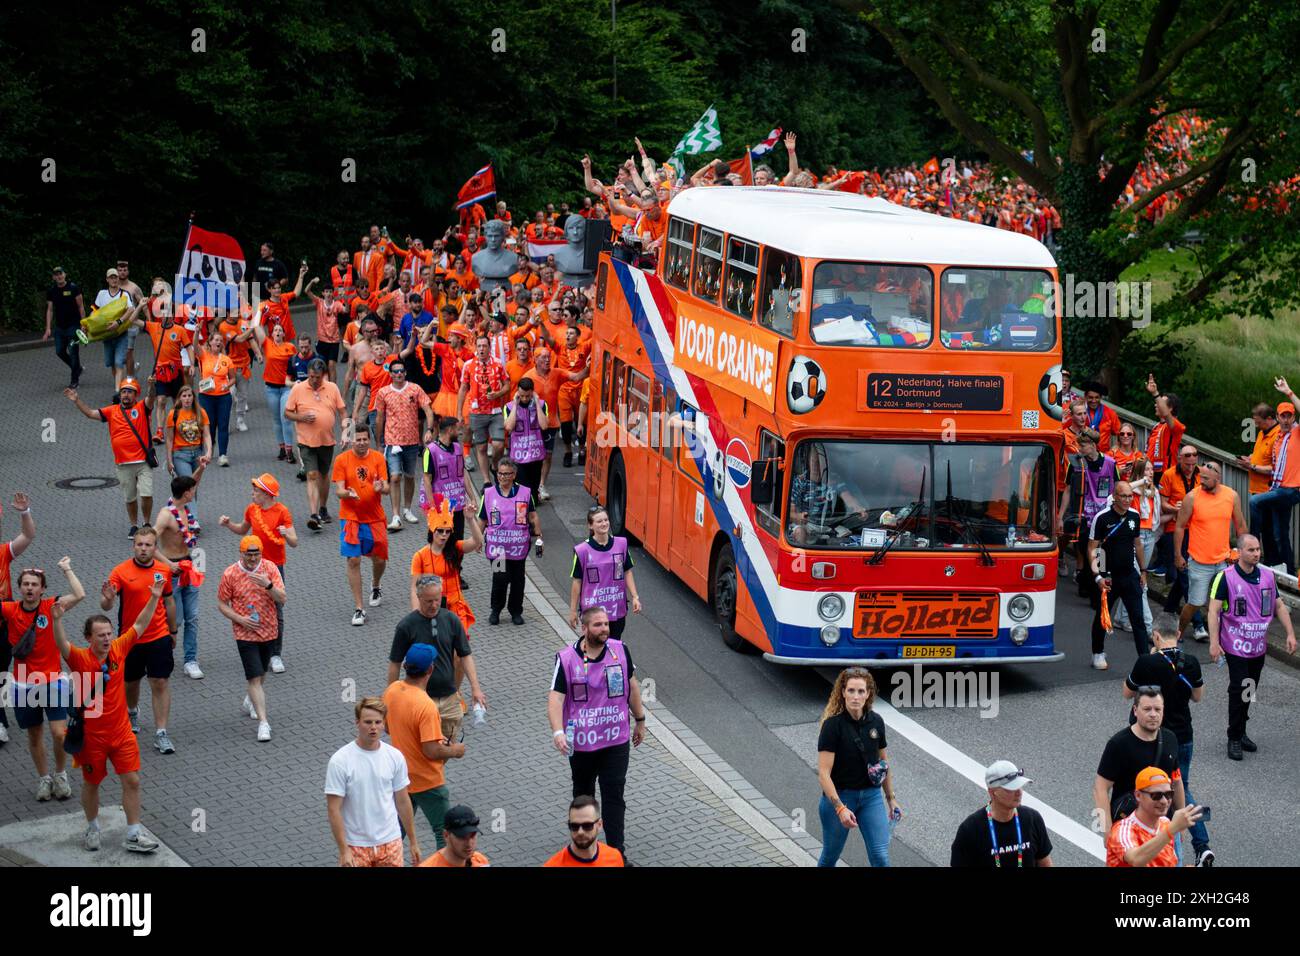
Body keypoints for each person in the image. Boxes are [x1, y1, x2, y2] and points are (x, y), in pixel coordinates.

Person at [52, 574, 166, 853]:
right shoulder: (79, 658)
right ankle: (92, 828)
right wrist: (56, 620)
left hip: (122, 732)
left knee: (133, 780)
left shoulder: (119, 648)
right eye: (100, 635)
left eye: (109, 633)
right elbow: (61, 645)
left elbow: (139, 624)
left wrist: (153, 596)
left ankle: (133, 833)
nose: (106, 639)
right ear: (88, 638)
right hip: (92, 736)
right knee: (92, 783)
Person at [548, 606, 646, 857]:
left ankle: (616, 854)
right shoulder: (567, 658)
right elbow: (556, 699)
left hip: (615, 739)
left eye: (606, 624)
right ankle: (584, 849)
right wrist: (558, 732)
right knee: (584, 795)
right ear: (584, 628)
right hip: (582, 744)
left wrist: (640, 719)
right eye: (597, 625)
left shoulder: (620, 651)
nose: (604, 629)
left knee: (614, 793)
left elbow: (632, 687)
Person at [1123, 612, 1212, 865]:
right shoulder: (1192, 662)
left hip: (1151, 738)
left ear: (1156, 636)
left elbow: (1127, 692)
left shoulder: (1145, 663)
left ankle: (1148, 841)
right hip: (1184, 735)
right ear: (1179, 634)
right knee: (1179, 784)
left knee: (1149, 789)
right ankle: (1202, 844)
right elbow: (1198, 696)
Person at [1208, 533, 1297, 760]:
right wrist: (1214, 642)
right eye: (1251, 550)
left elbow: (1278, 606)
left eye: (1258, 549)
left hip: (1257, 647)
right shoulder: (1225, 577)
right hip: (1235, 645)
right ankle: (1234, 737)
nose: (1256, 553)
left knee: (1249, 688)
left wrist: (1290, 634)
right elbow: (1213, 611)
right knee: (1238, 687)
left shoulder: (1267, 575)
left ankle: (1241, 730)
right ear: (1239, 552)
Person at [2, 559, 86, 801]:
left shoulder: (51, 606)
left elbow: (80, 594)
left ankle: (60, 775)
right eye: (26, 584)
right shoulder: (10, 610)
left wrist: (67, 569)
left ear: (42, 589)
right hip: (22, 684)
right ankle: (44, 779)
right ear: (19, 588)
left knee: (59, 733)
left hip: (53, 681)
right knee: (34, 734)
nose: (29, 588)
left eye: (34, 584)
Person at [100, 527, 178, 753]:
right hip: (130, 639)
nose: (143, 549)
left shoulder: (163, 570)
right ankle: (132, 712)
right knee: (131, 683)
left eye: (148, 545)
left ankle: (161, 733)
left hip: (159, 636)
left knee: (160, 682)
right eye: (139, 544)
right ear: (134, 545)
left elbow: (169, 601)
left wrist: (173, 631)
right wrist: (107, 599)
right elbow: (106, 605)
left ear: (155, 548)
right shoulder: (120, 571)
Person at [382, 642, 465, 849]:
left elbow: (388, 728)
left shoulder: (392, 691)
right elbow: (431, 750)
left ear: (405, 667)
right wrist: (454, 751)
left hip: (401, 778)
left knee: (394, 833)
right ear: (430, 669)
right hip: (427, 781)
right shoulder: (425, 705)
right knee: (444, 834)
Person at [388, 575, 487, 747]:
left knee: (446, 748)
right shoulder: (406, 626)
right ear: (418, 598)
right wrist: (391, 698)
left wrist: (475, 688)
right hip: (421, 699)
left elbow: (465, 655)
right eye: (428, 601)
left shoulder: (451, 620)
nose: (434, 605)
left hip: (449, 698)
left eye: (436, 599)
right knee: (425, 749)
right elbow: (395, 663)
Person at [815, 667, 899, 867]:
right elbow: (824, 774)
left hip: (871, 797)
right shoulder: (832, 726)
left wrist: (891, 799)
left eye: (861, 691)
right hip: (840, 797)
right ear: (842, 692)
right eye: (851, 690)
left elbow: (883, 764)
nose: (855, 696)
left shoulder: (876, 722)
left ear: (868, 693)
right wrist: (840, 808)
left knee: (880, 856)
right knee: (830, 856)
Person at [324, 697, 420, 867]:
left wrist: (413, 841)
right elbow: (333, 809)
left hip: (391, 843)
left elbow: (403, 801)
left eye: (378, 722)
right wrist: (343, 850)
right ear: (357, 723)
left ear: (384, 724)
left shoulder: (395, 757)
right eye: (368, 722)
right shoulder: (340, 761)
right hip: (356, 846)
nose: (373, 727)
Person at [219, 474, 297, 672]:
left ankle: (275, 655)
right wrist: (229, 524)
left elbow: (294, 541)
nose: (252, 493)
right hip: (253, 565)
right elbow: (242, 529)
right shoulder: (251, 509)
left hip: (274, 567)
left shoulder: (282, 511)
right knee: (251, 604)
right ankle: (254, 645)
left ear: (266, 494)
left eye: (256, 490)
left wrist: (286, 534)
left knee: (276, 608)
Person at [64, 378, 158, 538]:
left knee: (146, 494)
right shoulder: (111, 411)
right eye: (123, 391)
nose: (126, 395)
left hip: (143, 462)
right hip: (123, 463)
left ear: (136, 395)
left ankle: (147, 523)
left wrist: (152, 386)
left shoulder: (142, 407)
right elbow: (90, 413)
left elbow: (151, 398)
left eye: (129, 392)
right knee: (130, 497)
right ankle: (134, 525)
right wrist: (77, 400)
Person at [216, 535, 286, 742]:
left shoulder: (270, 569)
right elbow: (221, 603)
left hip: (269, 630)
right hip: (244, 633)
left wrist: (269, 585)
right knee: (254, 677)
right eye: (249, 554)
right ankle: (264, 723)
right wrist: (240, 619)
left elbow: (282, 598)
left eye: (256, 554)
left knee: (261, 672)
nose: (253, 559)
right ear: (241, 553)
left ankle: (250, 700)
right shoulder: (231, 573)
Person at [1172, 458, 1247, 641]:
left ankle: (1225, 637)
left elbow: (1241, 526)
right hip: (1199, 562)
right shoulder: (1192, 497)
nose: (1201, 481)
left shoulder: (1231, 496)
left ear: (1218, 478)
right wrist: (1178, 555)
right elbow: (1180, 526)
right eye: (1201, 477)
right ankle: (1178, 632)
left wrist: (1241, 551)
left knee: (1225, 602)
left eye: (1206, 478)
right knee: (1195, 603)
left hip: (1224, 562)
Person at [1093, 687, 1184, 836]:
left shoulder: (1170, 739)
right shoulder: (1119, 744)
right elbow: (1100, 789)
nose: (1153, 714)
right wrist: (1107, 831)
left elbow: (1176, 781)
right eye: (1147, 709)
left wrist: (1180, 824)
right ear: (1135, 710)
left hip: (1164, 830)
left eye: (1157, 709)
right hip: (1128, 831)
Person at [1086, 480, 1149, 667]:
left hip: (1130, 573)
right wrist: (1099, 576)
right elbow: (1093, 548)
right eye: (1123, 496)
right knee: (1102, 616)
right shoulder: (1102, 517)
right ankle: (1097, 652)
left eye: (1130, 496)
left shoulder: (1134, 516)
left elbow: (1137, 544)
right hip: (1108, 575)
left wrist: (1143, 571)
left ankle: (1144, 659)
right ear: (1114, 497)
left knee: (1138, 618)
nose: (1128, 500)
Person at [332, 425, 389, 626]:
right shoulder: (341, 460)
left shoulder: (378, 458)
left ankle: (376, 584)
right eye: (358, 439)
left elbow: (387, 487)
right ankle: (359, 608)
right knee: (353, 560)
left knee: (379, 558)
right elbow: (338, 490)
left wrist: (382, 487)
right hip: (350, 517)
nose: (362, 443)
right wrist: (348, 493)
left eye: (365, 439)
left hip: (374, 517)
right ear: (351, 440)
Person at [152, 473, 208, 679]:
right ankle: (162, 655)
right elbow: (149, 542)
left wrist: (201, 467)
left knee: (192, 617)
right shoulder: (166, 515)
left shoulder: (186, 508)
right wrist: (168, 564)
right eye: (193, 490)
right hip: (172, 572)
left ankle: (190, 660)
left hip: (189, 567)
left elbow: (193, 481)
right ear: (186, 494)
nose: (195, 491)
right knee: (175, 619)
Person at [949, 761, 1053, 867]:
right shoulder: (971, 829)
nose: (1019, 792)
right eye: (1011, 789)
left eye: (1020, 786)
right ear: (993, 792)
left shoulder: (1032, 819)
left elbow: (1045, 863)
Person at [286, 358, 347, 531]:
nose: (314, 380)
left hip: (327, 441)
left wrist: (346, 432)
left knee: (323, 475)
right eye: (311, 376)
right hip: (306, 441)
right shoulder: (298, 388)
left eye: (317, 377)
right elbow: (288, 413)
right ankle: (313, 515)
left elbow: (343, 411)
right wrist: (301, 417)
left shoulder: (332, 388)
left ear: (324, 375)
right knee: (312, 474)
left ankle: (323, 507)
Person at [480, 457, 542, 626]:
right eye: (500, 474)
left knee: (517, 580)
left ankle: (516, 611)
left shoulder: (526, 493)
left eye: (507, 474)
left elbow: (533, 515)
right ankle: (496, 610)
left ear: (514, 475)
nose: (503, 477)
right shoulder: (488, 494)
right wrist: (478, 540)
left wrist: (538, 535)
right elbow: (482, 519)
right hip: (497, 548)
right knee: (499, 577)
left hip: (518, 548)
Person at [374, 358, 435, 530]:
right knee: (394, 477)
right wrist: (379, 442)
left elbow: (428, 410)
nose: (399, 374)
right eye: (395, 371)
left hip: (412, 441)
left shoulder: (415, 389)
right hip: (392, 441)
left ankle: (407, 509)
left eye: (401, 371)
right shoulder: (383, 392)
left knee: (409, 476)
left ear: (405, 372)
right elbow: (379, 418)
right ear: (391, 374)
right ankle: (395, 515)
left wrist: (429, 430)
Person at [1057, 428, 1118, 596]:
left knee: (1101, 553)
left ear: (1093, 445)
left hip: (1104, 515)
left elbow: (1117, 489)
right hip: (1084, 516)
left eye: (1082, 446)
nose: (1079, 449)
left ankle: (1096, 587)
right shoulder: (1076, 463)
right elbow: (1068, 491)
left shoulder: (1110, 464)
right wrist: (1060, 517)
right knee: (1085, 550)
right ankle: (1087, 582)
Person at [410, 497, 482, 637]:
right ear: (432, 531)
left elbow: (477, 541)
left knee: (458, 651)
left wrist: (470, 520)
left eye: (447, 531)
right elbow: (414, 588)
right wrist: (416, 615)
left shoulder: (455, 548)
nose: (444, 535)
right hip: (433, 608)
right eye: (440, 531)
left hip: (456, 607)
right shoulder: (420, 556)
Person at [1105, 767, 1203, 868]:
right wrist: (1171, 830)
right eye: (1156, 795)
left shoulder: (1165, 823)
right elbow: (1135, 860)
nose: (1164, 801)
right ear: (1138, 795)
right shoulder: (1122, 830)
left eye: (1169, 794)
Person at [568, 506, 642, 639]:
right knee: (595, 647)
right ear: (590, 526)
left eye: (606, 520)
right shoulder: (582, 551)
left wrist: (635, 596)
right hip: (593, 612)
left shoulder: (621, 544)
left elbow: (627, 572)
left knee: (614, 643)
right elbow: (577, 582)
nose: (604, 523)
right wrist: (573, 610)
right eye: (599, 521)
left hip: (616, 608)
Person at [1250, 379, 1300, 573]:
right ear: (1278, 418)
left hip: (1292, 489)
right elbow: (1274, 466)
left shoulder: (1296, 433)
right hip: (1278, 489)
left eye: (1289, 416)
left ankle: (1251, 547)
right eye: (1283, 416)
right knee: (1280, 534)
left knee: (1255, 502)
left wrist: (1288, 392)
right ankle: (1287, 572)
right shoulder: (1278, 439)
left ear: (1293, 418)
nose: (1286, 420)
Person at [1158, 445, 1201, 624]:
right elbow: (1162, 503)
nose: (1191, 460)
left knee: (1181, 577)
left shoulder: (1202, 475)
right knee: (1184, 573)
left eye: (1194, 456)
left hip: (1196, 530)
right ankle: (1198, 622)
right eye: (1187, 456)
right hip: (1174, 529)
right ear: (1180, 458)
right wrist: (1176, 508)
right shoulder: (1169, 474)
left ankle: (1168, 611)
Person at [458, 334, 510, 480]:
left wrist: (498, 393)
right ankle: (486, 480)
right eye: (479, 346)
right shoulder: (469, 365)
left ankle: (494, 465)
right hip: (476, 412)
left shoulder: (498, 364)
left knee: (499, 445)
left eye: (484, 346)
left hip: (495, 412)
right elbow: (463, 389)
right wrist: (459, 413)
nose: (481, 349)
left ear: (489, 348)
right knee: (480, 447)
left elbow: (507, 385)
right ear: (476, 348)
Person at [252, 320, 297, 462]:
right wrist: (257, 312)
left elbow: (296, 365)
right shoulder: (267, 344)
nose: (277, 332)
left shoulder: (290, 347)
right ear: (271, 333)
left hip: (286, 388)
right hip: (271, 388)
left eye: (280, 330)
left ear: (284, 334)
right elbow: (257, 326)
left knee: (286, 418)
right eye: (275, 330)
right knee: (277, 420)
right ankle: (282, 448)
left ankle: (290, 451)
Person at [422, 416, 471, 546]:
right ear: (450, 430)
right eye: (457, 429)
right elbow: (427, 479)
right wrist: (433, 506)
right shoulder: (430, 451)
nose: (460, 432)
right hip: (441, 507)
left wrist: (471, 497)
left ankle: (456, 566)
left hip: (458, 504)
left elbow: (463, 473)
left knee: (458, 541)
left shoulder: (457, 447)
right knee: (439, 543)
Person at [542, 795, 626, 867]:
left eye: (587, 826)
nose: (580, 832)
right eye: (574, 826)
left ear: (599, 824)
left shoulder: (614, 857)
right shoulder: (554, 865)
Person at [164, 386, 212, 512]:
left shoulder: (200, 412)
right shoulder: (173, 414)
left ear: (193, 397)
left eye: (189, 396)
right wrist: (169, 461)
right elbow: (169, 439)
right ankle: (194, 521)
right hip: (180, 454)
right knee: (188, 486)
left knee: (193, 487)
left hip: (198, 453)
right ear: (179, 398)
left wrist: (209, 452)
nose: (187, 399)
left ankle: (186, 515)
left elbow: (207, 434)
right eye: (184, 396)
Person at [195, 331, 236, 466]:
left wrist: (227, 385)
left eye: (220, 340)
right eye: (216, 340)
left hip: (223, 397)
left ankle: (223, 455)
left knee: (223, 425)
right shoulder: (203, 355)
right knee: (209, 425)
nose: (218, 342)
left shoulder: (226, 360)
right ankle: (209, 449)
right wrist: (196, 332)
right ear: (210, 342)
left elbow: (233, 378)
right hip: (206, 397)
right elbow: (194, 345)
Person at [503, 376, 549, 497]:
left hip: (536, 455)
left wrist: (537, 403)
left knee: (533, 495)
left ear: (532, 393)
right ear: (517, 392)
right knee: (522, 492)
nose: (524, 399)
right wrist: (515, 405)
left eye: (528, 396)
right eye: (521, 395)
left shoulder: (543, 404)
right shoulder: (508, 406)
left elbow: (544, 426)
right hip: (519, 456)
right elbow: (508, 427)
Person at [96, 267, 138, 395]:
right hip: (107, 335)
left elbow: (131, 309)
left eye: (116, 277)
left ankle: (118, 392)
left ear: (118, 279)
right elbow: (95, 311)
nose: (114, 280)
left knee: (118, 362)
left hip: (121, 334)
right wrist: (88, 324)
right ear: (107, 279)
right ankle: (122, 381)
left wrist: (118, 322)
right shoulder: (101, 294)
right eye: (111, 277)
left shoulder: (124, 294)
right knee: (111, 363)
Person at [46, 266, 86, 387]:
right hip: (59, 328)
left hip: (73, 326)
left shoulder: (73, 288)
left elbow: (81, 307)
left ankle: (74, 381)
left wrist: (83, 324)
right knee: (59, 351)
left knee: (73, 352)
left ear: (65, 274)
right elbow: (50, 310)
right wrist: (48, 328)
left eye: (60, 274)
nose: (59, 276)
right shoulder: (52, 291)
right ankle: (77, 368)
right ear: (53, 277)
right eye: (56, 274)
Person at [417, 804, 490, 867]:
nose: (469, 844)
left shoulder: (481, 861)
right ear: (446, 835)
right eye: (462, 837)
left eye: (472, 836)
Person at [1144, 374, 1186, 481]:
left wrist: (1155, 393)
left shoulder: (1175, 426)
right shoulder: (1156, 426)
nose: (1156, 405)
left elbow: (1167, 415)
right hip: (1151, 473)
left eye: (1160, 403)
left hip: (1166, 475)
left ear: (1170, 408)